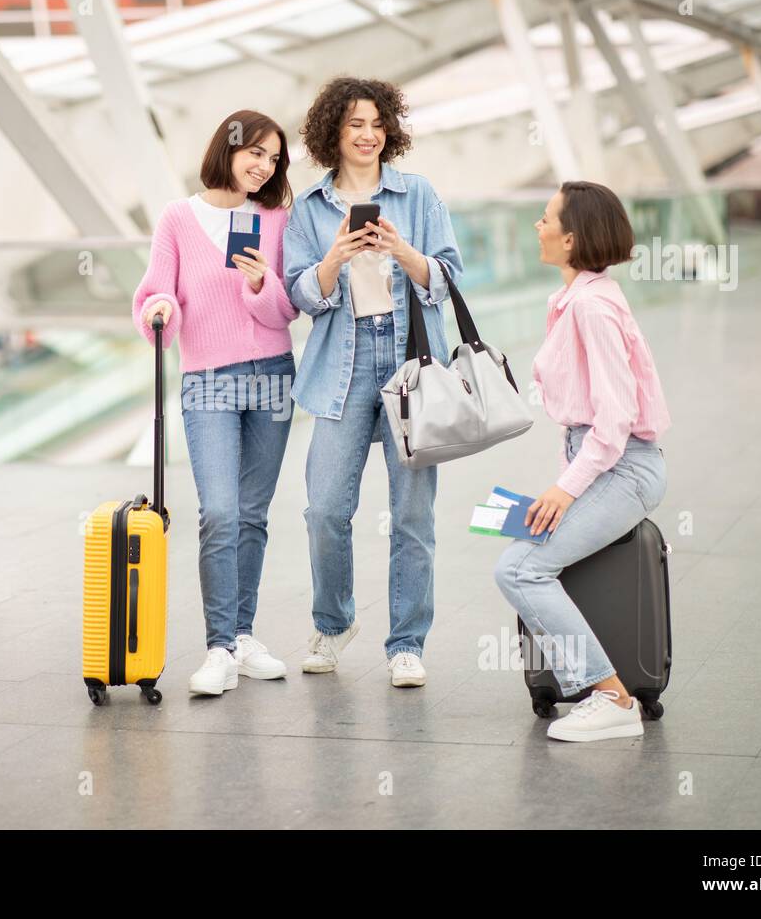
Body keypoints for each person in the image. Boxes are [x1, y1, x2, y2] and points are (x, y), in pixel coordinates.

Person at [283, 77, 463, 687]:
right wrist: (334, 258)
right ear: (332, 132)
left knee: (413, 514)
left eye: (377, 124)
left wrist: (403, 252)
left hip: (410, 362)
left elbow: (447, 278)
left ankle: (407, 643)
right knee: (325, 509)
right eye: (355, 124)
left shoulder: (418, 194)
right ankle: (333, 624)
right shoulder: (307, 208)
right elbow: (302, 294)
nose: (368, 134)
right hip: (343, 366)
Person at [493, 180, 671, 742]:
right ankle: (604, 690)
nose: (537, 228)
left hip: (625, 468)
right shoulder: (575, 298)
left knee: (519, 568)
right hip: (601, 463)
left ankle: (610, 696)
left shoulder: (591, 306)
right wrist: (564, 483)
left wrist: (566, 490)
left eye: (546, 220)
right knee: (510, 529)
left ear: (570, 239)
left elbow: (613, 420)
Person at [131, 109, 299, 696]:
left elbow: (288, 309)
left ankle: (243, 636)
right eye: (256, 152)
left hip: (274, 377)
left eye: (274, 158)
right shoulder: (178, 218)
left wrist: (259, 286)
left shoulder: (276, 218)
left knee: (252, 514)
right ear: (226, 148)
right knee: (219, 513)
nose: (264, 165)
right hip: (208, 381)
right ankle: (218, 648)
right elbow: (158, 292)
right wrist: (160, 312)